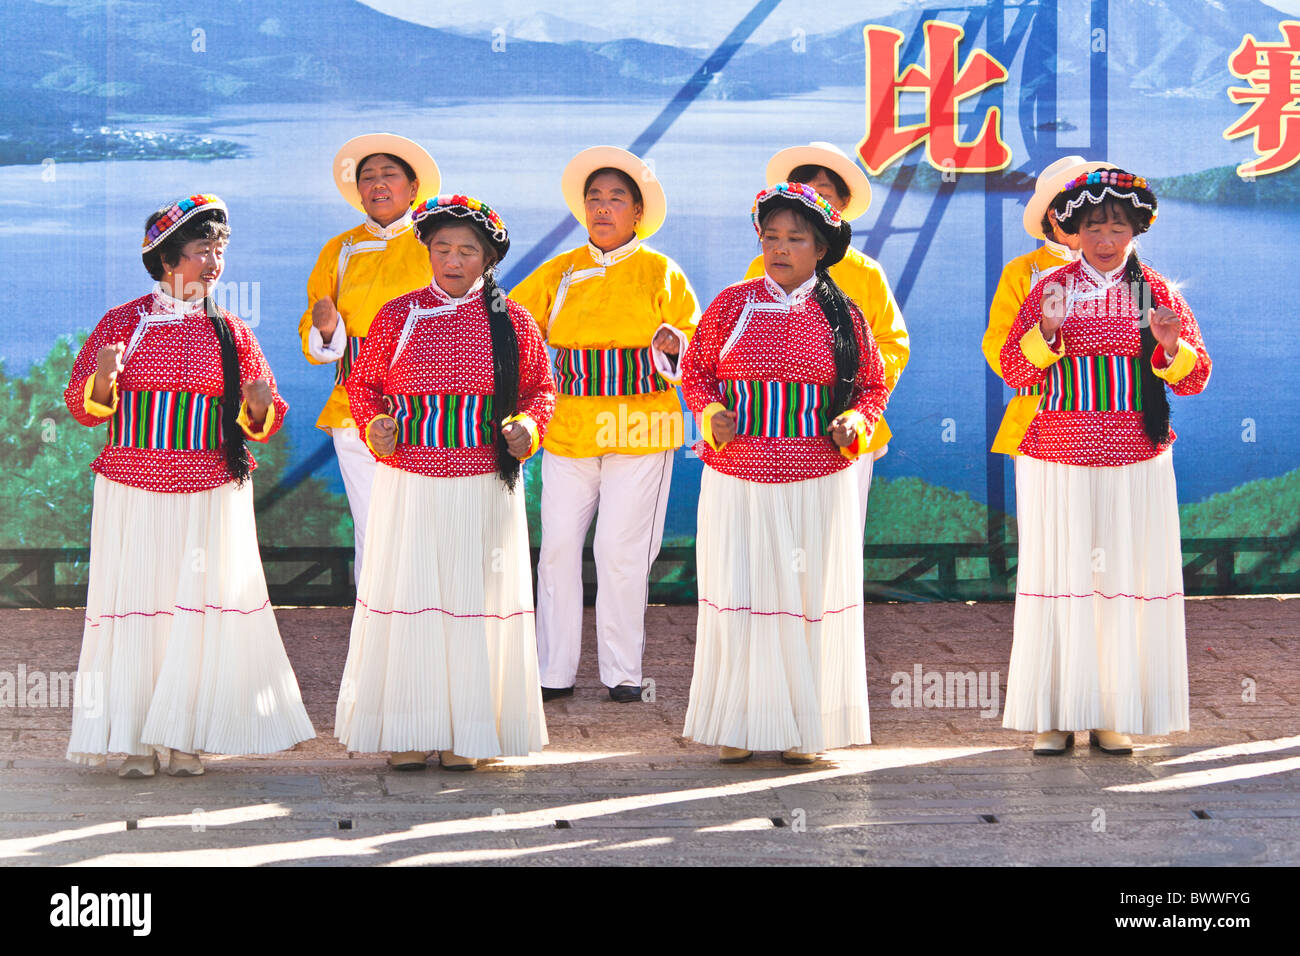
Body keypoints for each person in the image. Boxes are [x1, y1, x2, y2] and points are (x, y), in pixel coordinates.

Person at [63, 194, 315, 777]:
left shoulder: (232, 332)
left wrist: (257, 410)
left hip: (208, 490)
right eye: (201, 249)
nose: (213, 262)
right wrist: (103, 380)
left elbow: (263, 420)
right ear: (166, 258)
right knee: (135, 604)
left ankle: (184, 736)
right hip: (133, 484)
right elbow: (84, 408)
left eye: (219, 250)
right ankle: (128, 737)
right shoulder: (123, 322)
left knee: (195, 613)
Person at [335, 195, 557, 771]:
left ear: (487, 258)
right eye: (442, 248)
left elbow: (540, 391)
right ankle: (408, 727)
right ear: (427, 250)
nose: (452, 260)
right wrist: (377, 423)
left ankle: (469, 731)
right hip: (411, 482)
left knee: (475, 598)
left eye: (466, 251)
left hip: (485, 482)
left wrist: (528, 427)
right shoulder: (397, 314)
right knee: (411, 596)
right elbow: (365, 386)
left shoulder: (511, 322)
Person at [997, 169, 1211, 755]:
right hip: (1057, 451)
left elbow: (1195, 378)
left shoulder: (1156, 292)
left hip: (1135, 455)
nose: (1106, 236)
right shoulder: (1050, 288)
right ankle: (1055, 715)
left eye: (1118, 224)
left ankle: (1110, 711)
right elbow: (1016, 372)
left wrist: (1170, 348)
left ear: (1137, 229)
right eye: (1094, 225)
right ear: (1072, 231)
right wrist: (1046, 330)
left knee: (1120, 578)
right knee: (1060, 576)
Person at [680, 182, 890, 764]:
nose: (780, 247)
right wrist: (711, 412)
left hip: (817, 478)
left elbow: (872, 388)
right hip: (739, 477)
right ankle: (739, 721)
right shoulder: (731, 305)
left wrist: (853, 420)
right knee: (739, 592)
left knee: (807, 596)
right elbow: (695, 374)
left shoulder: (845, 314)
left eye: (795, 238)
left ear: (820, 247)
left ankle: (806, 724)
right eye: (771, 236)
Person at [511, 146, 699, 703]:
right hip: (569, 426)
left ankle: (621, 673)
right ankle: (552, 671)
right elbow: (517, 329)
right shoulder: (561, 270)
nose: (603, 207)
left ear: (638, 211)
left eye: (617, 198)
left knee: (620, 549)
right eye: (594, 197)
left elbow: (694, 342)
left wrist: (674, 345)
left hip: (640, 427)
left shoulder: (660, 271)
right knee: (559, 548)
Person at [742, 142, 907, 533]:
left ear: (841, 207)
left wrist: (854, 401)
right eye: (803, 192)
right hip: (773, 427)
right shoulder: (759, 267)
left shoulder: (866, 273)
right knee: (773, 533)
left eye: (824, 195)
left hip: (841, 428)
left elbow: (892, 343)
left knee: (836, 537)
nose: (811, 203)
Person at [299, 133, 439, 579]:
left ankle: (430, 635)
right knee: (373, 527)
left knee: (427, 528)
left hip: (429, 407)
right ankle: (376, 638)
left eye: (389, 175)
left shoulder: (437, 243)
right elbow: (314, 330)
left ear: (414, 187)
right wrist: (324, 327)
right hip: (354, 404)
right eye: (368, 177)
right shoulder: (338, 250)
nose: (378, 184)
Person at [983, 155, 1110, 455]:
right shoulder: (1022, 271)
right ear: (1054, 215)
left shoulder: (1121, 268)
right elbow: (998, 349)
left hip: (1115, 424)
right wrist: (1045, 333)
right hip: (1039, 421)